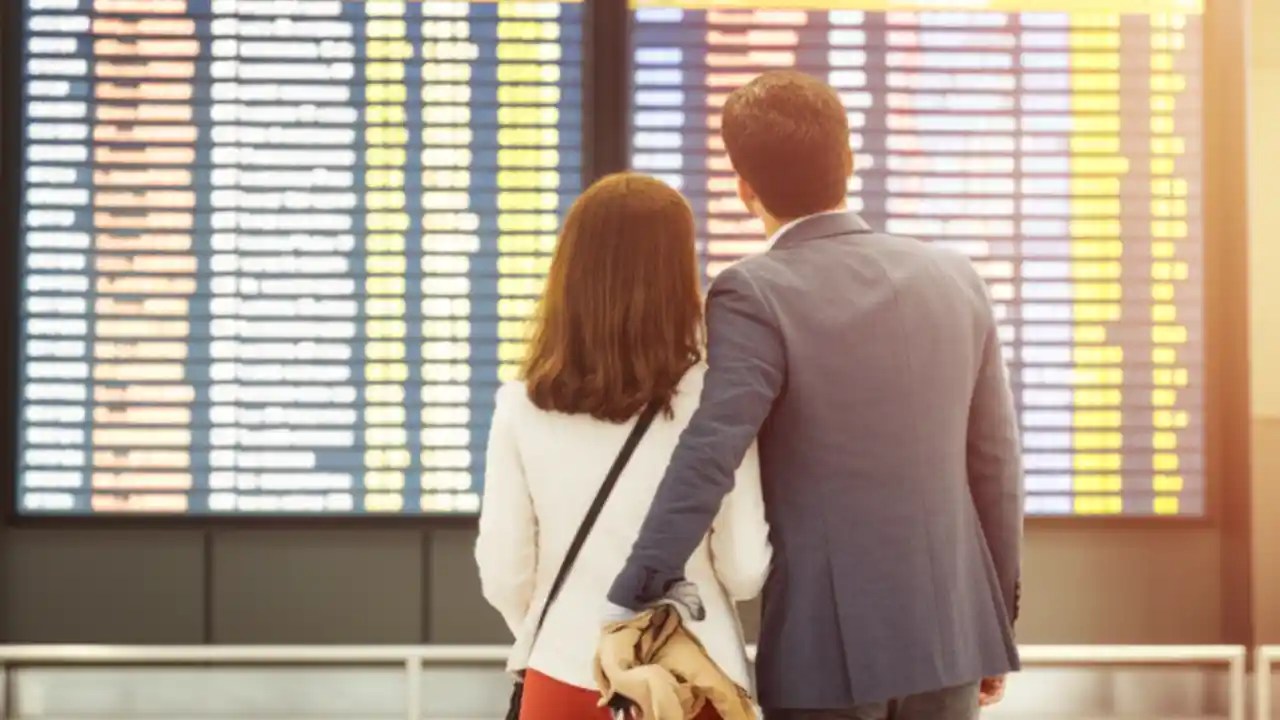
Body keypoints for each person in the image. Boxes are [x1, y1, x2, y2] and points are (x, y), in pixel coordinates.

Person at [607, 71, 1025, 720]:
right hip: (954, 635)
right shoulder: (955, 276)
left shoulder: (753, 290)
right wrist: (995, 622)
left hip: (825, 650)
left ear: (745, 189)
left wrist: (638, 585)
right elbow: (996, 466)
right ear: (848, 161)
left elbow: (712, 449)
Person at [476, 172, 772, 720]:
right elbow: (746, 566)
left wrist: (563, 630)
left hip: (561, 677)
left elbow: (502, 569)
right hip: (692, 684)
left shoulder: (521, 404)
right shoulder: (716, 398)